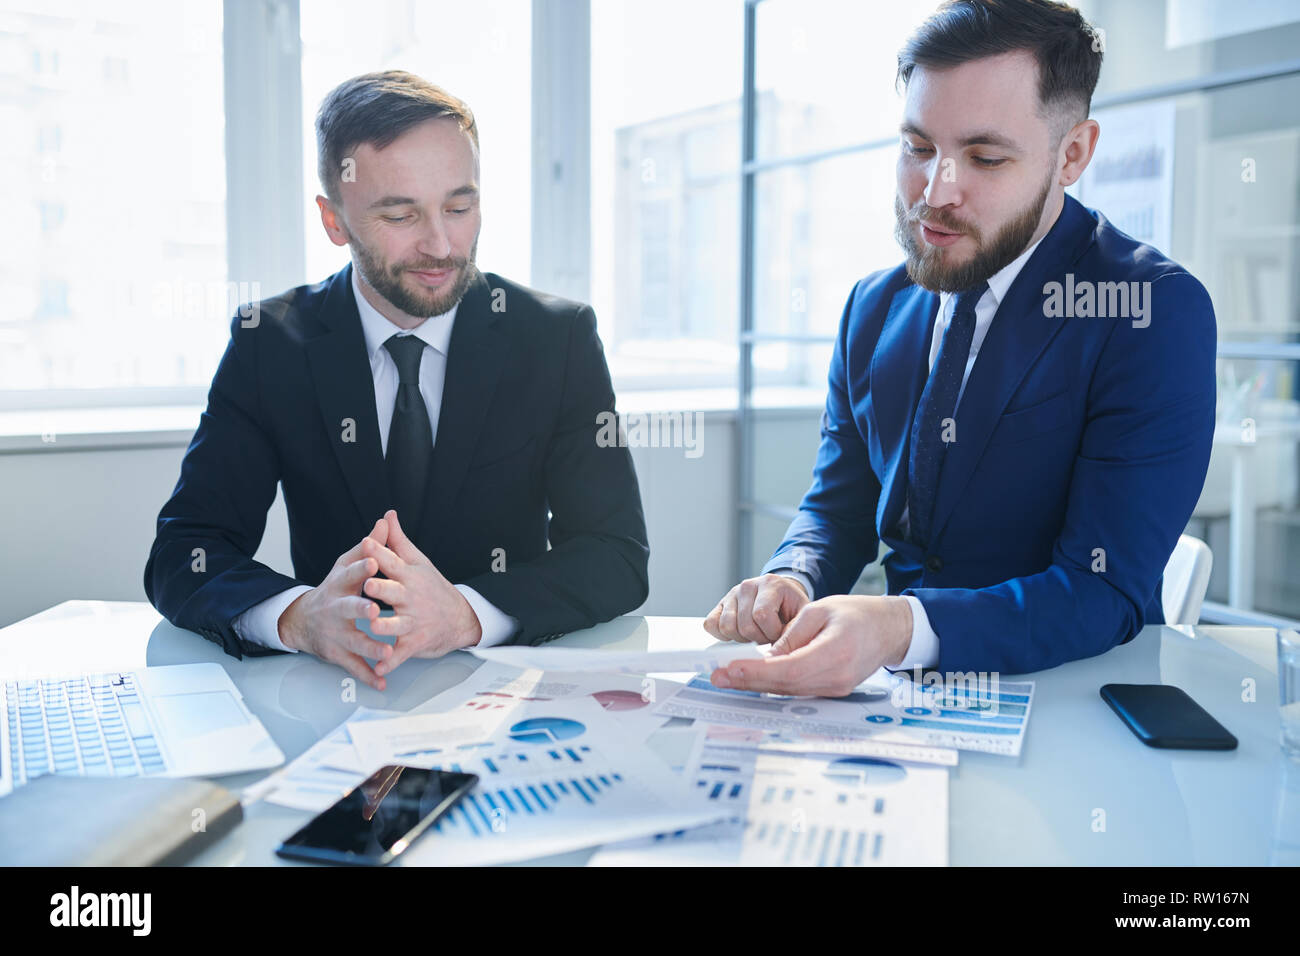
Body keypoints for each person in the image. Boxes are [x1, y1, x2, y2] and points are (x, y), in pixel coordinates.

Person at [704, 0, 1216, 695]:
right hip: (895, 703)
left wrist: (901, 626)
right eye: (918, 148)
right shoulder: (873, 307)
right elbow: (838, 508)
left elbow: (1105, 591)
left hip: (1072, 703)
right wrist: (791, 574)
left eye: (984, 157)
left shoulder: (1150, 311)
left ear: (1073, 154)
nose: (935, 192)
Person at [145, 71, 649, 691]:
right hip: (333, 695)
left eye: (459, 208)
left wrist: (465, 614)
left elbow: (615, 554)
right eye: (400, 214)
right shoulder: (270, 341)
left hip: (506, 698)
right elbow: (185, 551)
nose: (441, 244)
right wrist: (301, 618)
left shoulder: (556, 337)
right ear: (335, 221)